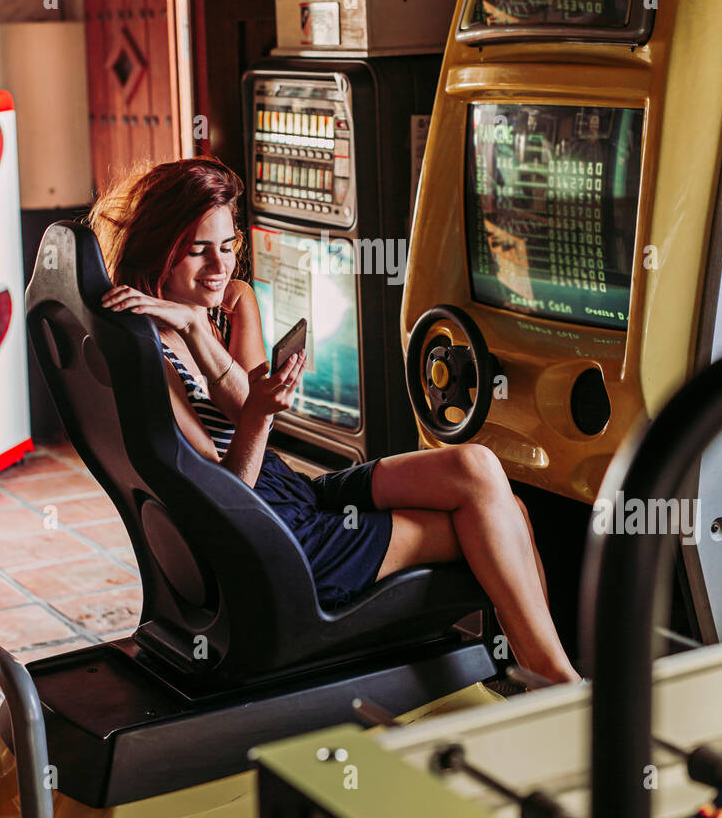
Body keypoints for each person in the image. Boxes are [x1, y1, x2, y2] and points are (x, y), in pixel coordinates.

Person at [90, 157, 580, 685]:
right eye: (196, 250)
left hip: (295, 493)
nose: (219, 267)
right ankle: (552, 679)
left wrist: (201, 327)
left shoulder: (216, 306)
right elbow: (226, 505)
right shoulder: (148, 360)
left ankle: (535, 674)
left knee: (480, 472)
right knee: (497, 519)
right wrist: (248, 398)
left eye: (228, 246)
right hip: (274, 540)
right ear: (157, 247)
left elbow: (238, 401)